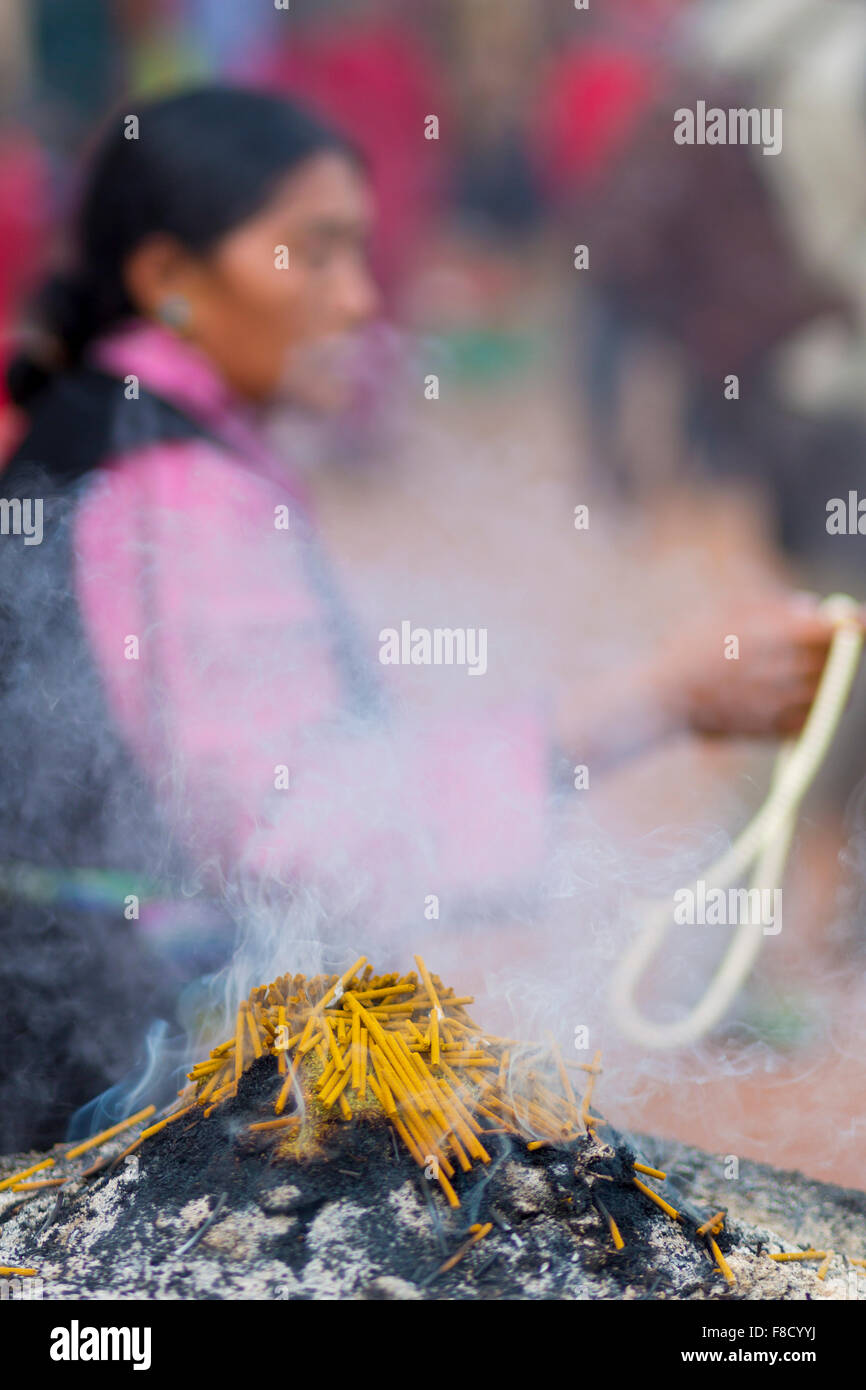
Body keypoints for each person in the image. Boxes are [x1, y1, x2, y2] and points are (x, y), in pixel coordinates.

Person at [0, 86, 856, 1151]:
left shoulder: (134, 434)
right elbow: (295, 832)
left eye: (359, 252)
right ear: (169, 278)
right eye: (310, 254)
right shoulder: (173, 491)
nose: (360, 299)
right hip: (96, 1080)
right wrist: (656, 700)